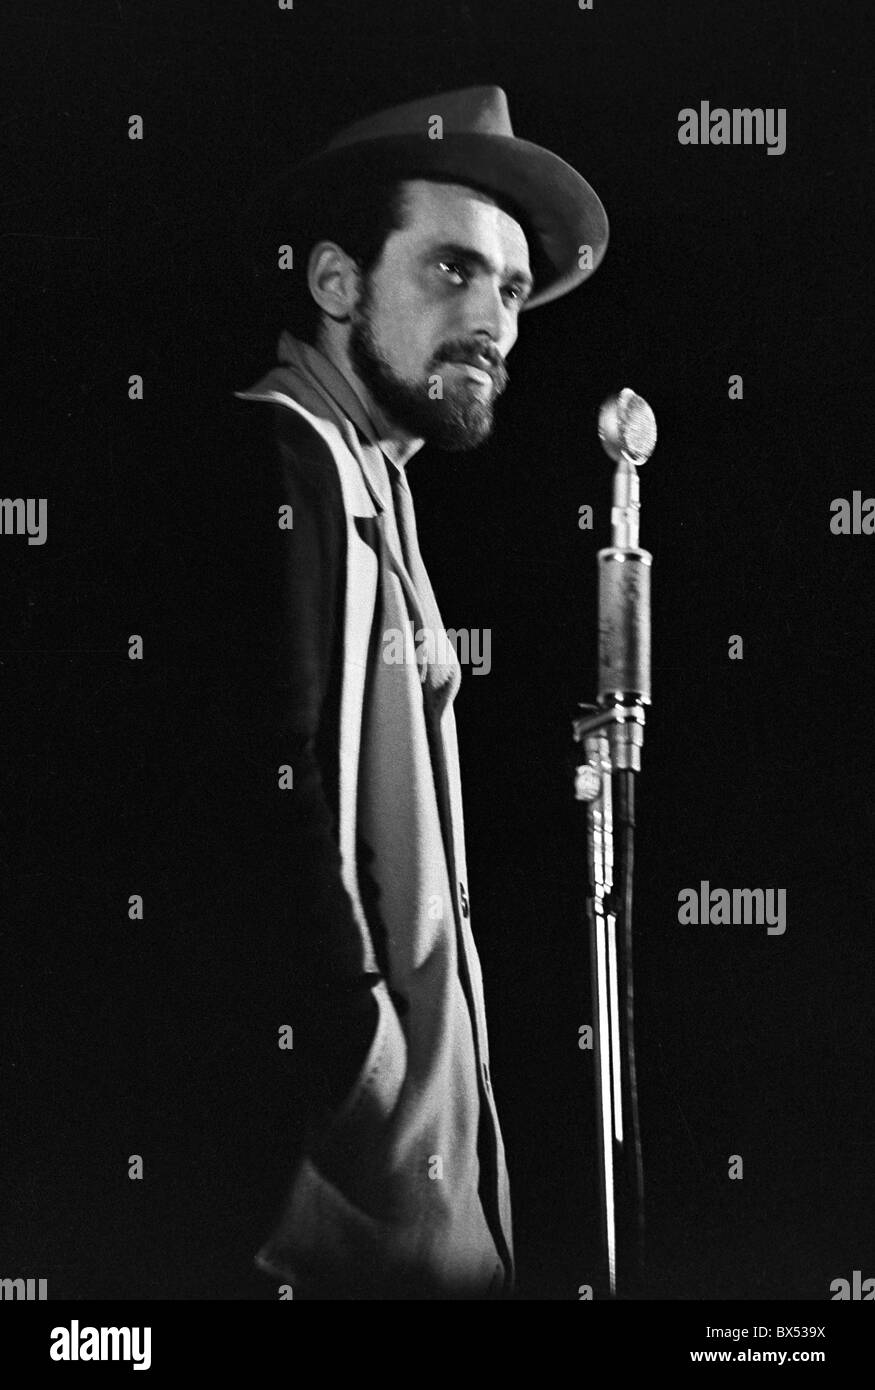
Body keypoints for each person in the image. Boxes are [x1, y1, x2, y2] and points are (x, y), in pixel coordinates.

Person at [226, 84, 609, 1299]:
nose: (493, 318)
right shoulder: (280, 459)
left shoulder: (370, 481)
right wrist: (361, 1084)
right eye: (451, 270)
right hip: (338, 1224)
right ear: (335, 284)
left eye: (507, 287)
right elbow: (252, 821)